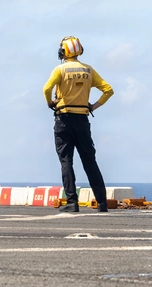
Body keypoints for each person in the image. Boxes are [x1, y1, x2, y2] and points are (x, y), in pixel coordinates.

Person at [42, 36, 114, 213]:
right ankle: (102, 203)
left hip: (64, 119)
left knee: (66, 161)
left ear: (63, 51)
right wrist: (93, 106)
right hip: (82, 119)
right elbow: (108, 90)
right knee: (90, 161)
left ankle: (72, 202)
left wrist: (49, 102)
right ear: (79, 50)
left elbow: (46, 89)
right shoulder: (89, 70)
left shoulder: (60, 69)